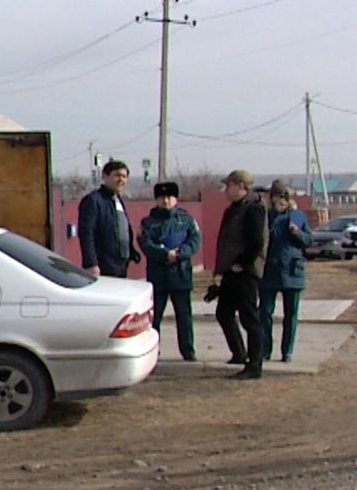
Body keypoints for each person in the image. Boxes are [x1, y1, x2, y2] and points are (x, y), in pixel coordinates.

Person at [211, 169, 268, 380]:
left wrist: (242, 263)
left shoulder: (253, 209)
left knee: (250, 318)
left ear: (241, 186)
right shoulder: (233, 209)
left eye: (229, 186)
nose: (226, 190)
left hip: (245, 272)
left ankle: (255, 364)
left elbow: (256, 243)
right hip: (230, 271)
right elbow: (225, 243)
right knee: (223, 312)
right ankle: (239, 353)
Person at [139, 181, 202, 361]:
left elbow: (194, 242)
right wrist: (165, 254)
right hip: (158, 276)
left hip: (181, 275)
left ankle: (188, 351)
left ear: (176, 199)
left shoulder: (186, 220)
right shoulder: (148, 222)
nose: (165, 201)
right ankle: (152, 352)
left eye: (169, 197)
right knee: (154, 318)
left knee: (184, 317)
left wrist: (180, 253)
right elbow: (146, 244)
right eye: (161, 197)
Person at [258, 180, 311, 364]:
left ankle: (287, 351)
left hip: (292, 270)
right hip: (270, 270)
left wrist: (297, 232)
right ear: (272, 198)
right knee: (264, 311)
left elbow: (308, 240)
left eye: (284, 198)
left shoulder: (297, 216)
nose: (280, 201)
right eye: (277, 197)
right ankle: (265, 349)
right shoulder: (266, 217)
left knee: (291, 314)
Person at [78, 159, 141, 278]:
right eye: (117, 175)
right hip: (103, 265)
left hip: (121, 264)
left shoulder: (118, 200)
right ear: (105, 176)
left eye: (124, 176)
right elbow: (86, 233)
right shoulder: (93, 201)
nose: (121, 179)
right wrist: (91, 263)